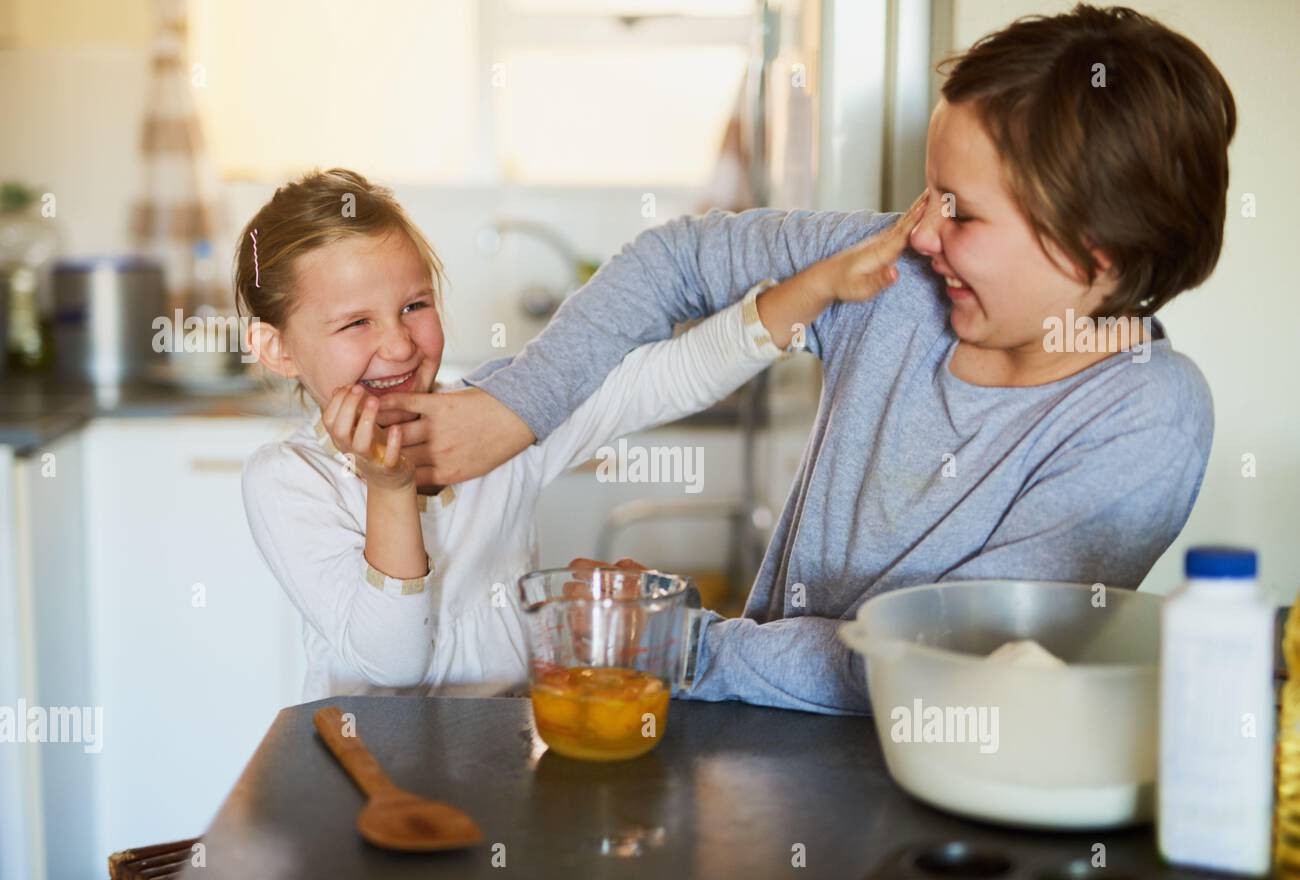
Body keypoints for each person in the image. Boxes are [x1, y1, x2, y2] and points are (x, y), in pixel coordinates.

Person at [374, 5, 1233, 714]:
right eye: (928, 194)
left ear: (1096, 256)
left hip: (930, 806)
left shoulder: (1145, 418)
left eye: (962, 214)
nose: (922, 229)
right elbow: (672, 262)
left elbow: (934, 665)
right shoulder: (897, 271)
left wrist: (674, 640)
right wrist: (516, 406)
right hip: (765, 756)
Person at [236, 168, 919, 700]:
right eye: (356, 324)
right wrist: (389, 490)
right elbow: (393, 665)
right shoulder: (290, 480)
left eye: (415, 305)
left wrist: (819, 287)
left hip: (501, 761)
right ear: (277, 350)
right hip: (362, 787)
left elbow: (668, 376)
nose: (398, 344)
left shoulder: (493, 425)